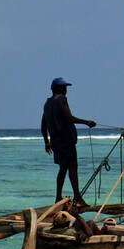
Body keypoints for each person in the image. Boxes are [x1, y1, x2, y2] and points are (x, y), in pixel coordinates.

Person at [41, 77, 96, 207]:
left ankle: (58, 197)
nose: (66, 90)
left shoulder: (47, 104)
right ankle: (77, 197)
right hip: (66, 140)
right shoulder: (61, 99)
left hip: (56, 142)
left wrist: (47, 142)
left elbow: (43, 125)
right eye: (63, 87)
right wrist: (87, 122)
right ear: (57, 89)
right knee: (72, 168)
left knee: (62, 169)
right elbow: (69, 117)